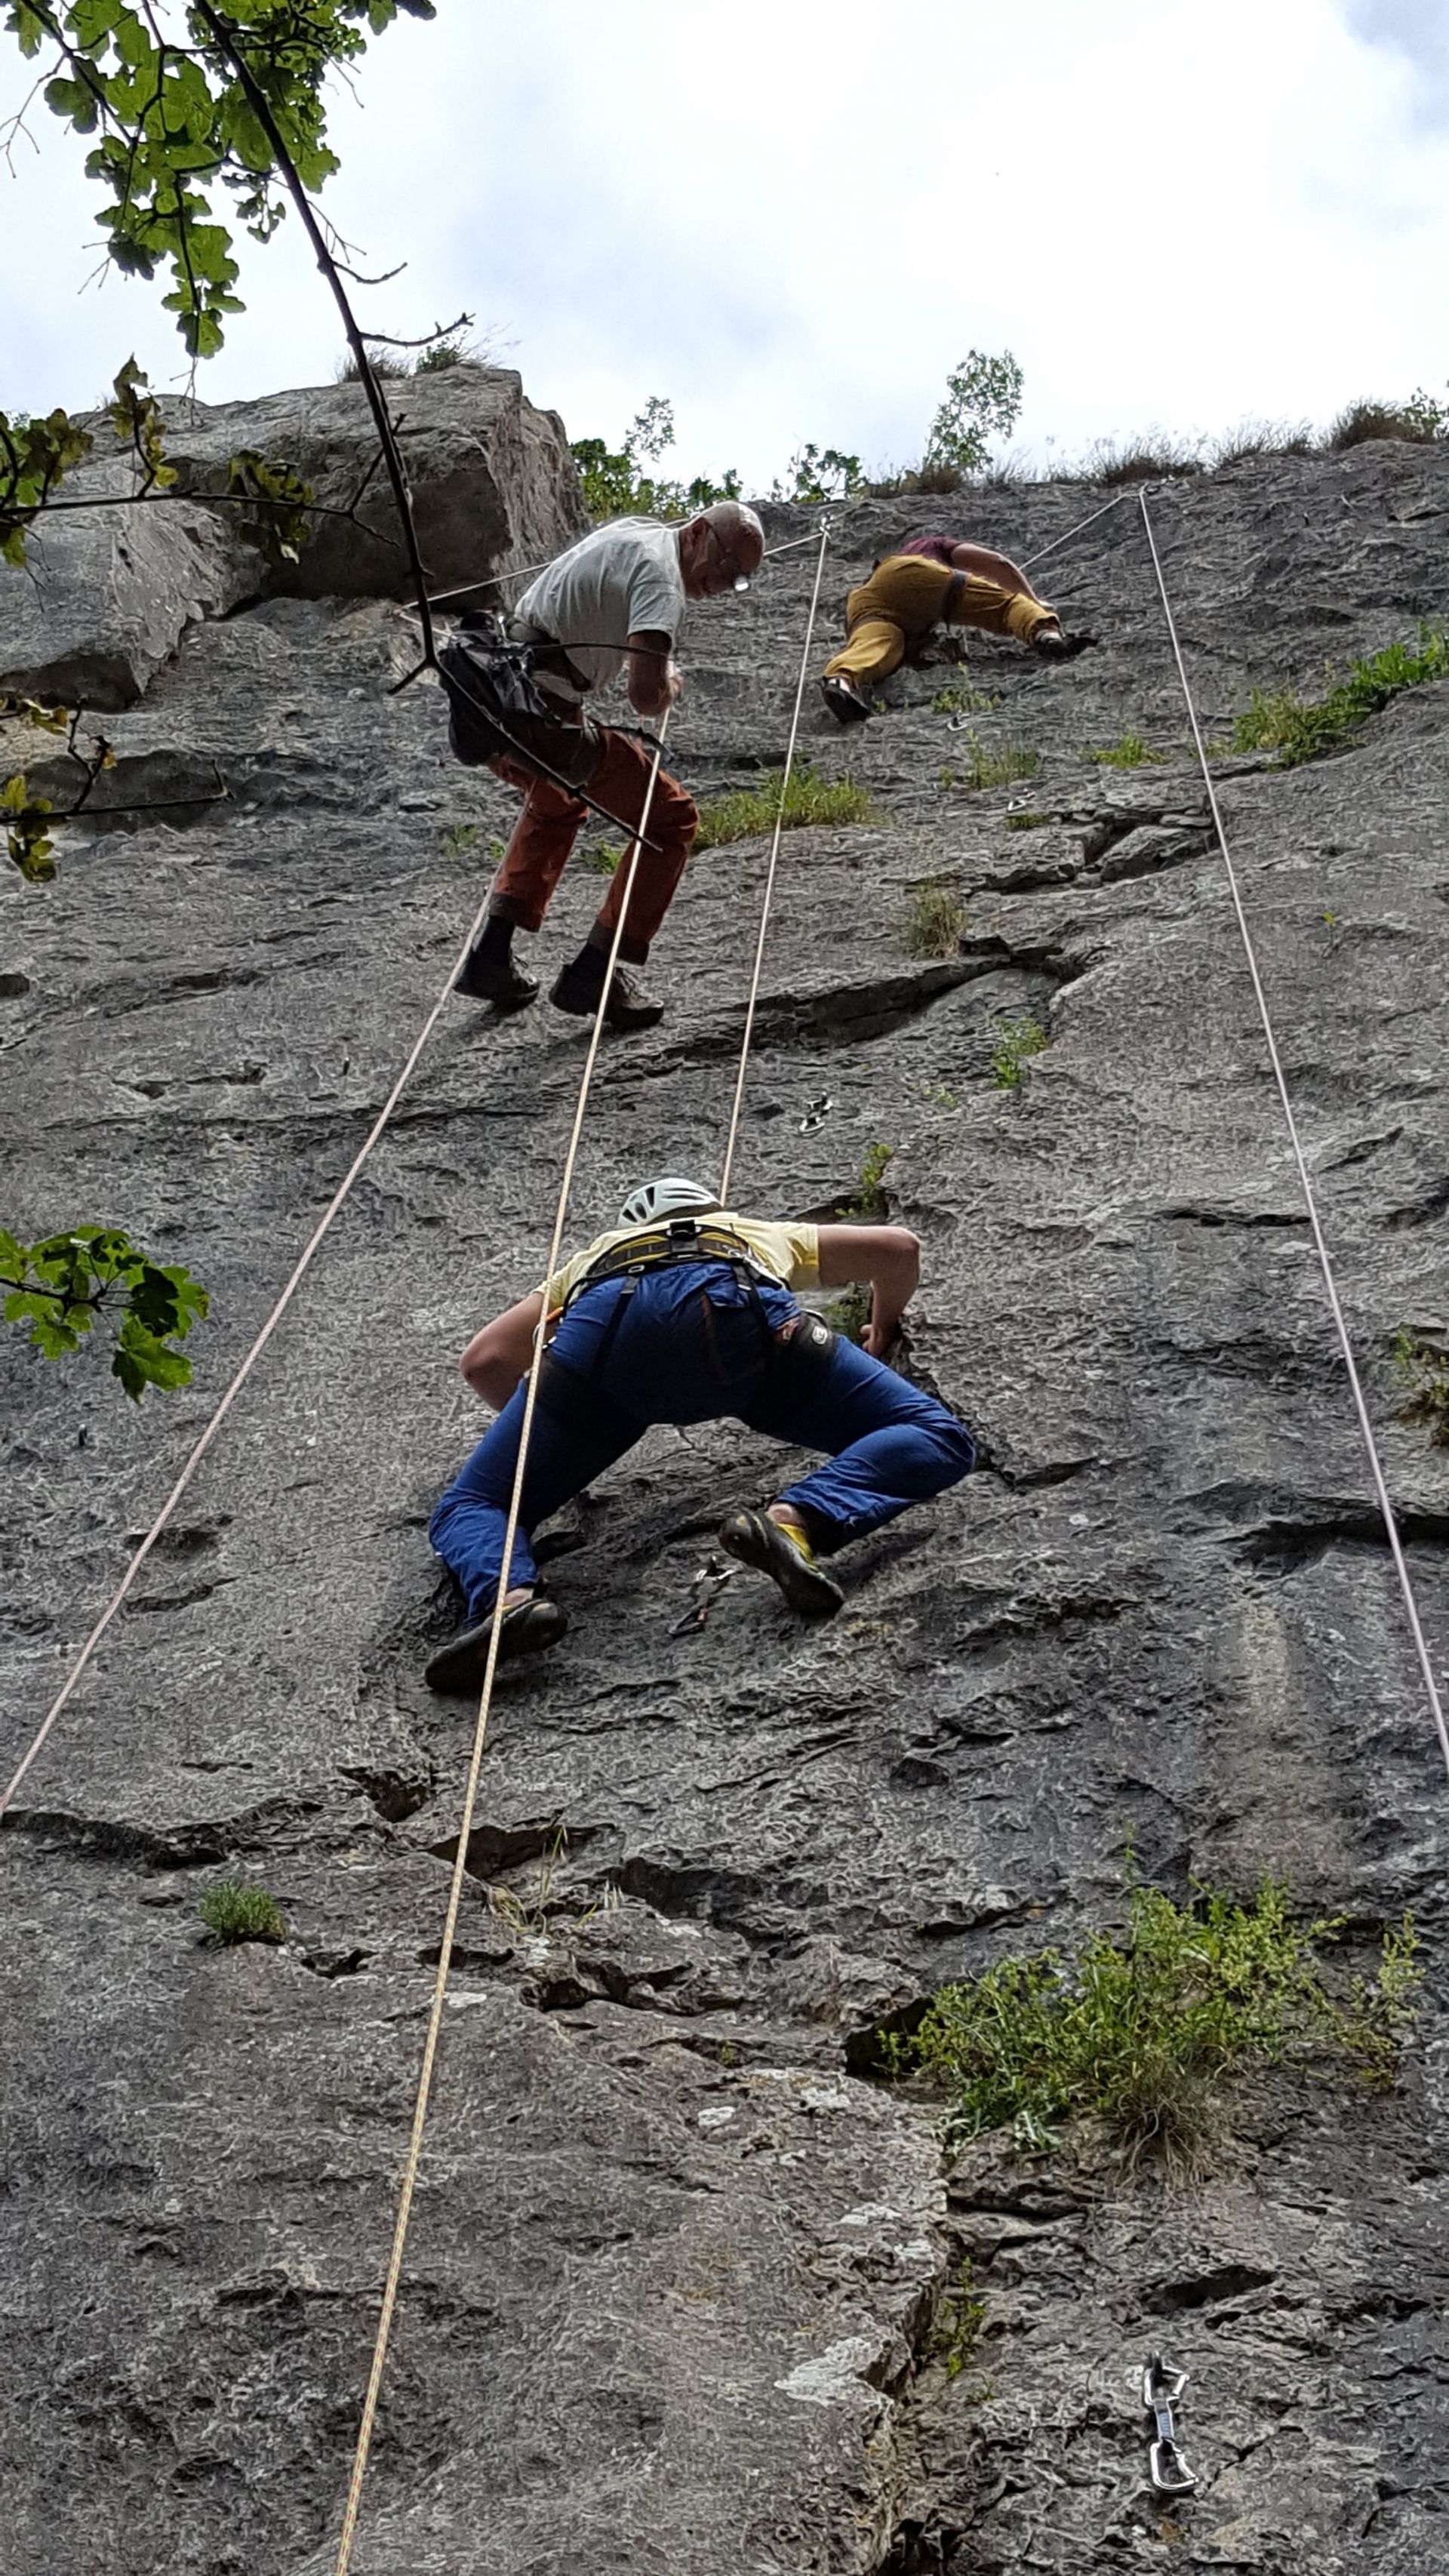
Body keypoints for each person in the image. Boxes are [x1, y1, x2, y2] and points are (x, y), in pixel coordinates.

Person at [424, 1175, 975, 1691]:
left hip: (605, 1345)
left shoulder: (594, 1257)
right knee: (934, 1434)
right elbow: (898, 1248)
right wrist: (882, 1330)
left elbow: (484, 1360)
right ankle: (797, 1522)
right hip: (746, 1330)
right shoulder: (746, 1231)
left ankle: (508, 1601)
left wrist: (557, 1435)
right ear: (712, 1209)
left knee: (477, 1502)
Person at [446, 503, 765, 1032]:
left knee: (556, 801)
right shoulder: (663, 580)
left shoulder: (637, 532)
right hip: (538, 715)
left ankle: (490, 957)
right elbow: (645, 697)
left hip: (495, 701)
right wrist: (669, 686)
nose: (724, 583)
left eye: (739, 580)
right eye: (728, 564)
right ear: (699, 532)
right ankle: (595, 972)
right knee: (672, 819)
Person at [820, 530, 1083, 724]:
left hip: (866, 598)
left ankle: (840, 682)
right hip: (909, 574)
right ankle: (1046, 634)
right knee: (1004, 606)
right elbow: (998, 562)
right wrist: (1033, 601)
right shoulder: (935, 545)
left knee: (878, 643)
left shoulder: (890, 564)